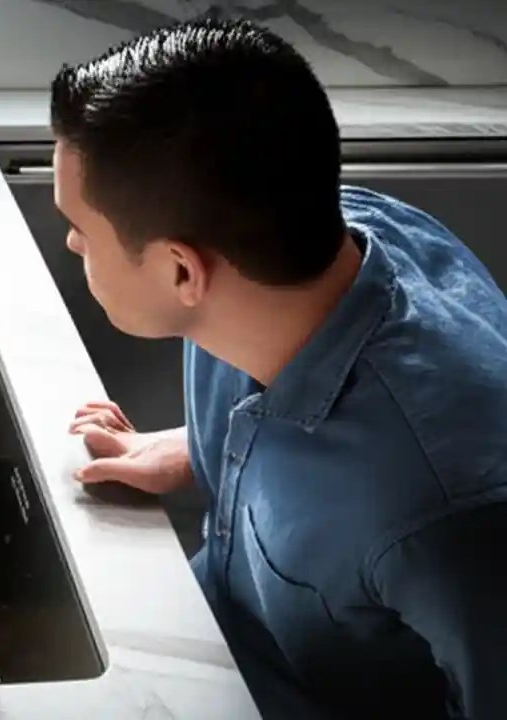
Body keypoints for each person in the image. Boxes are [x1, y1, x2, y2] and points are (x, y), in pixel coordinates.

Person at [51, 16, 507, 720]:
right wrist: (197, 452)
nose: (72, 240)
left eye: (82, 227)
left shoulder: (446, 516)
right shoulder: (310, 235)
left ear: (181, 270)